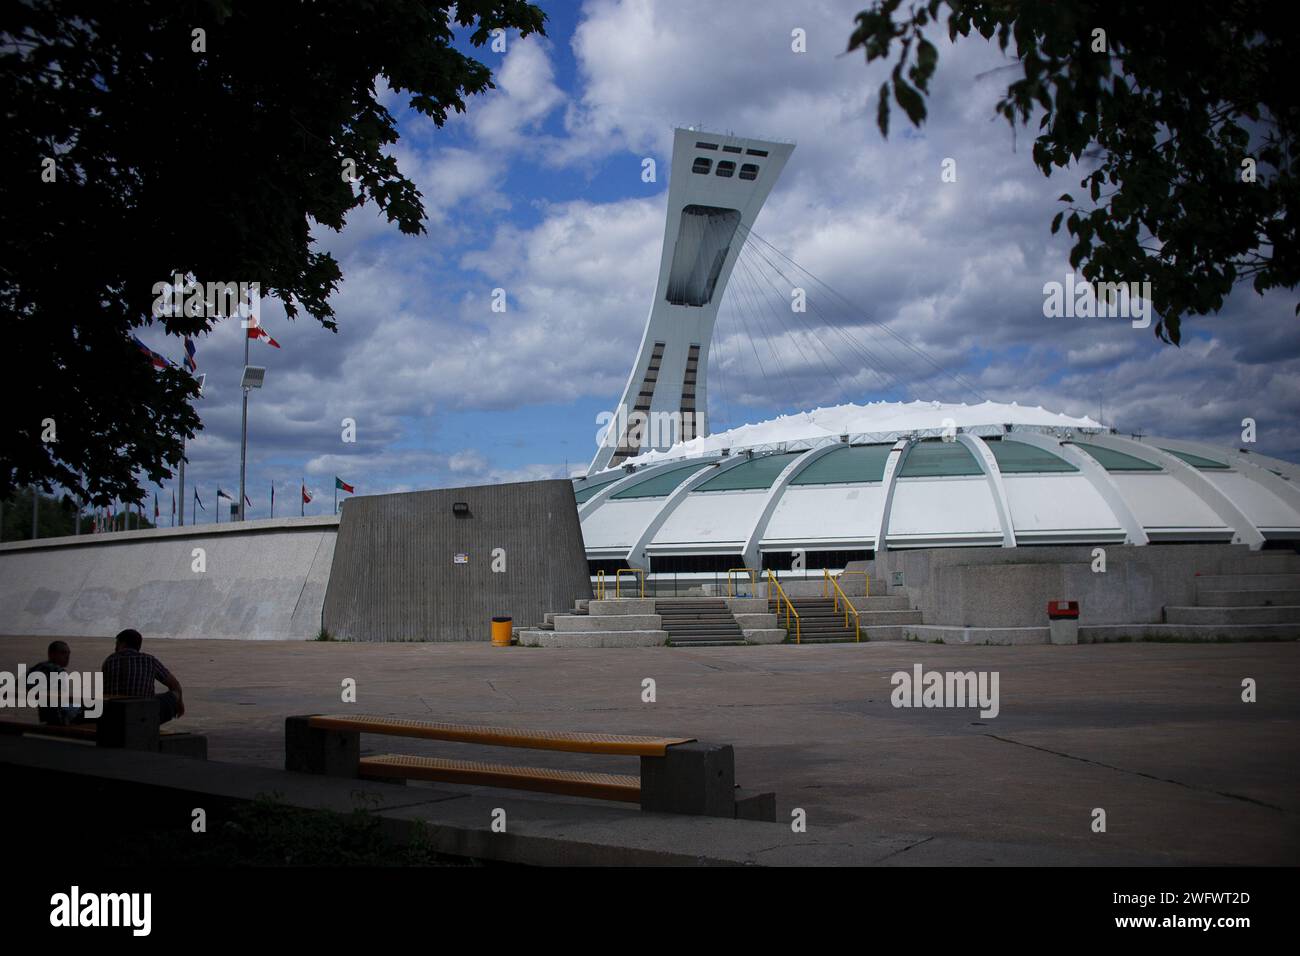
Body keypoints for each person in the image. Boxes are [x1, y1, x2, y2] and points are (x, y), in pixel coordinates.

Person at [101, 629, 185, 724]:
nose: (115, 647)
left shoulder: (109, 661)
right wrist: (180, 703)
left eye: (117, 644)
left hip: (114, 716)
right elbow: (175, 685)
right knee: (174, 694)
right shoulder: (149, 660)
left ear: (122, 644)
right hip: (144, 716)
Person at [27, 640, 82, 725]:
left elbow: (18, 683)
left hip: (46, 715)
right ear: (51, 654)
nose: (67, 656)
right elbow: (60, 701)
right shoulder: (58, 671)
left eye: (68, 653)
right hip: (60, 718)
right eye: (63, 653)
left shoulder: (38, 667)